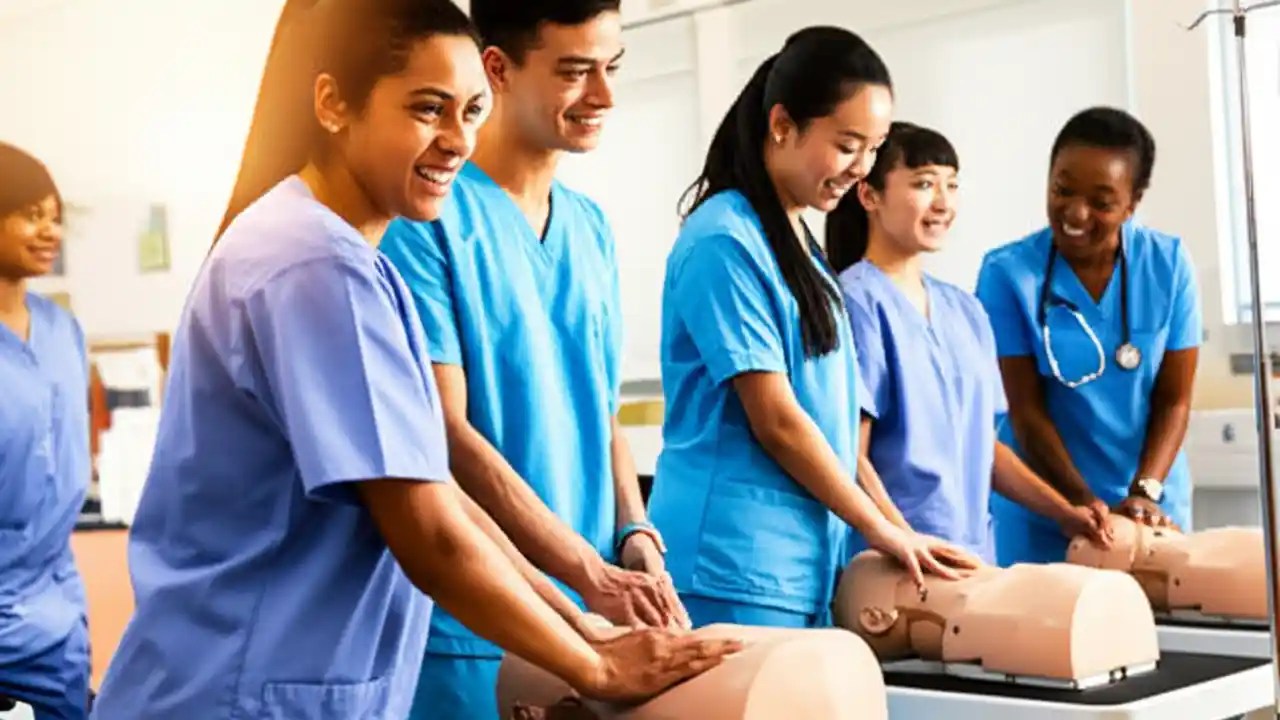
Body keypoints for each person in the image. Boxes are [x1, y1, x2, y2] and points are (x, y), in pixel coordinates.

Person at [90, 2, 737, 718]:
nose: (458, 141)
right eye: (429, 110)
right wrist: (595, 668)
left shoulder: (351, 260)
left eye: (471, 112)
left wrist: (576, 616)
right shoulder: (310, 264)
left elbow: (434, 489)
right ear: (334, 103)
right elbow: (426, 531)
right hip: (241, 691)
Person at [380, 3, 686, 718]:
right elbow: (447, 436)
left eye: (612, 68)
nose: (603, 95)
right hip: (475, 623)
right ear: (497, 68)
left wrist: (632, 532)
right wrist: (585, 569)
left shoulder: (590, 227)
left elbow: (601, 408)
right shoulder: (425, 223)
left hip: (591, 621)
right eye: (576, 72)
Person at [646, 27, 973, 632]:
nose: (862, 168)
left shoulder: (800, 245)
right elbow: (777, 420)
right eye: (848, 144)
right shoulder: (725, 238)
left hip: (798, 564)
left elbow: (832, 429)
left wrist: (899, 532)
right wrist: (876, 528)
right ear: (782, 126)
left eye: (873, 148)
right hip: (732, 562)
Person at [825, 121, 1110, 565]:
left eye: (952, 185)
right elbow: (849, 455)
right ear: (869, 195)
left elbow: (985, 451)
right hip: (892, 563)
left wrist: (1065, 513)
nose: (943, 203)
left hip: (972, 556)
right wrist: (903, 539)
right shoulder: (855, 303)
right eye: (923, 184)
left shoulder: (966, 311)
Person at [975, 106, 1202, 566]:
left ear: (1133, 201)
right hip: (1046, 510)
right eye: (1062, 190)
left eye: (1101, 201)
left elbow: (1174, 400)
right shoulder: (1007, 274)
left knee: (1153, 632)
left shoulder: (1168, 265)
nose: (1076, 213)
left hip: (1150, 507)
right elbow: (1025, 410)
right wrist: (1078, 502)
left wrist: (1145, 491)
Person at [0, 143, 91, 719]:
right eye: (32, 214)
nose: (49, 230)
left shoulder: (63, 331)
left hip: (55, 601)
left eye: (55, 216)